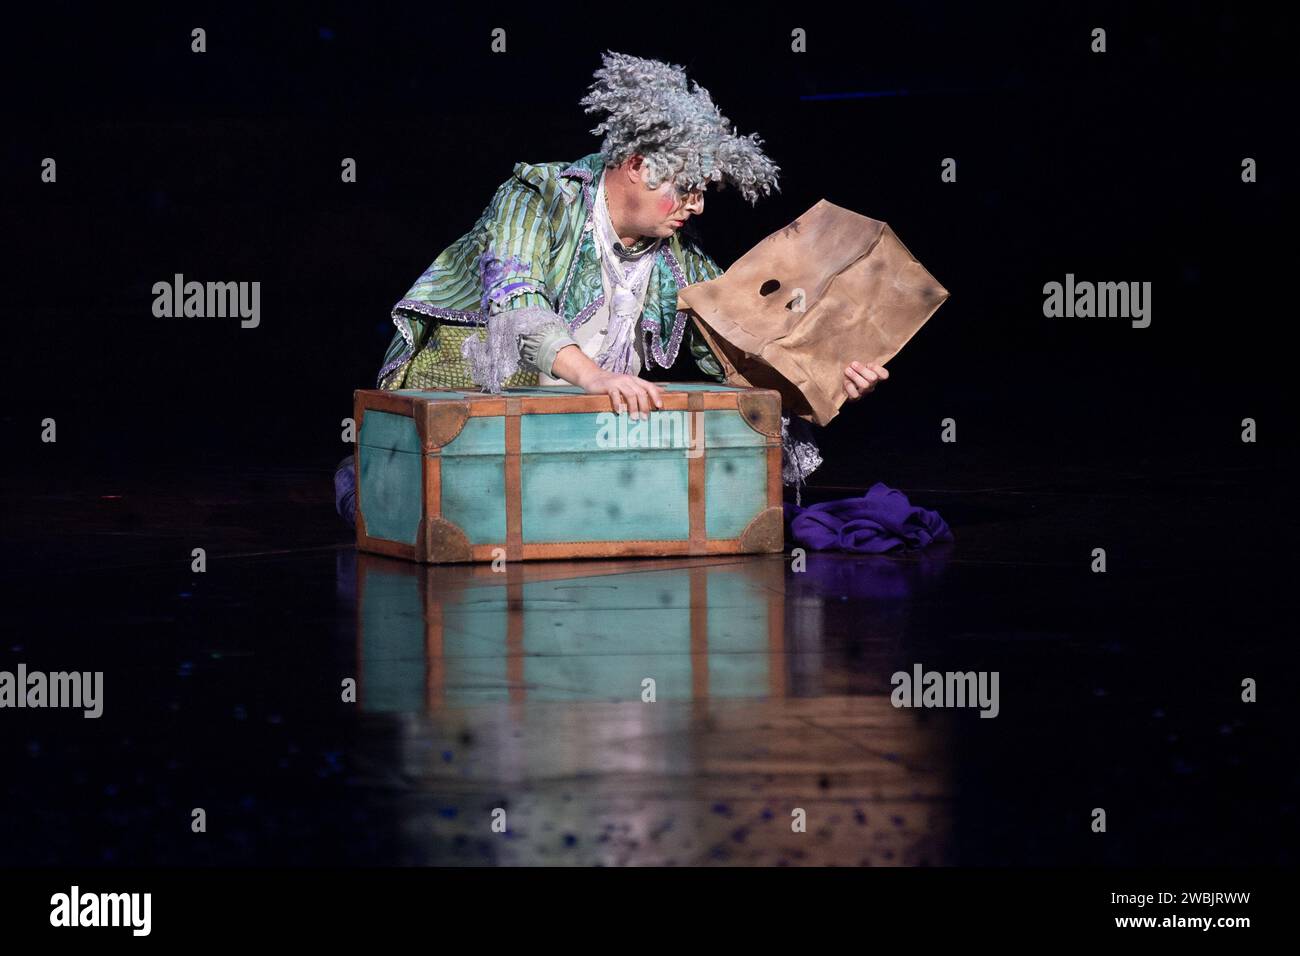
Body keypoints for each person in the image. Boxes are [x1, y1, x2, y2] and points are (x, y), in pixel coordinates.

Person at [335, 50, 888, 524]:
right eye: (687, 187)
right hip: (469, 402)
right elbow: (516, 298)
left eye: (703, 191)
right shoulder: (538, 195)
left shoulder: (679, 256)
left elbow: (738, 348)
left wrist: (828, 374)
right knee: (435, 502)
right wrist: (596, 375)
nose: (696, 205)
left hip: (564, 423)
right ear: (637, 164)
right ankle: (367, 476)